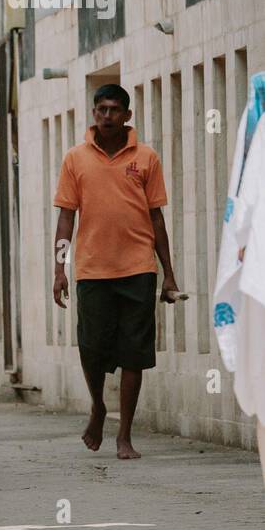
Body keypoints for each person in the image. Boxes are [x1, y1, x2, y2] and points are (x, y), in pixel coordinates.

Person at [52, 84, 179, 460]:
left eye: (113, 110)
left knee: (134, 354)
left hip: (139, 268)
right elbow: (65, 218)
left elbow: (157, 217)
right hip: (91, 271)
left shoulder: (147, 157)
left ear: (128, 115)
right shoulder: (75, 159)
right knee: (91, 349)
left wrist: (168, 274)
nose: (106, 117)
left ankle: (124, 435)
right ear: (93, 114)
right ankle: (97, 407)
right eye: (100, 110)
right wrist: (59, 267)